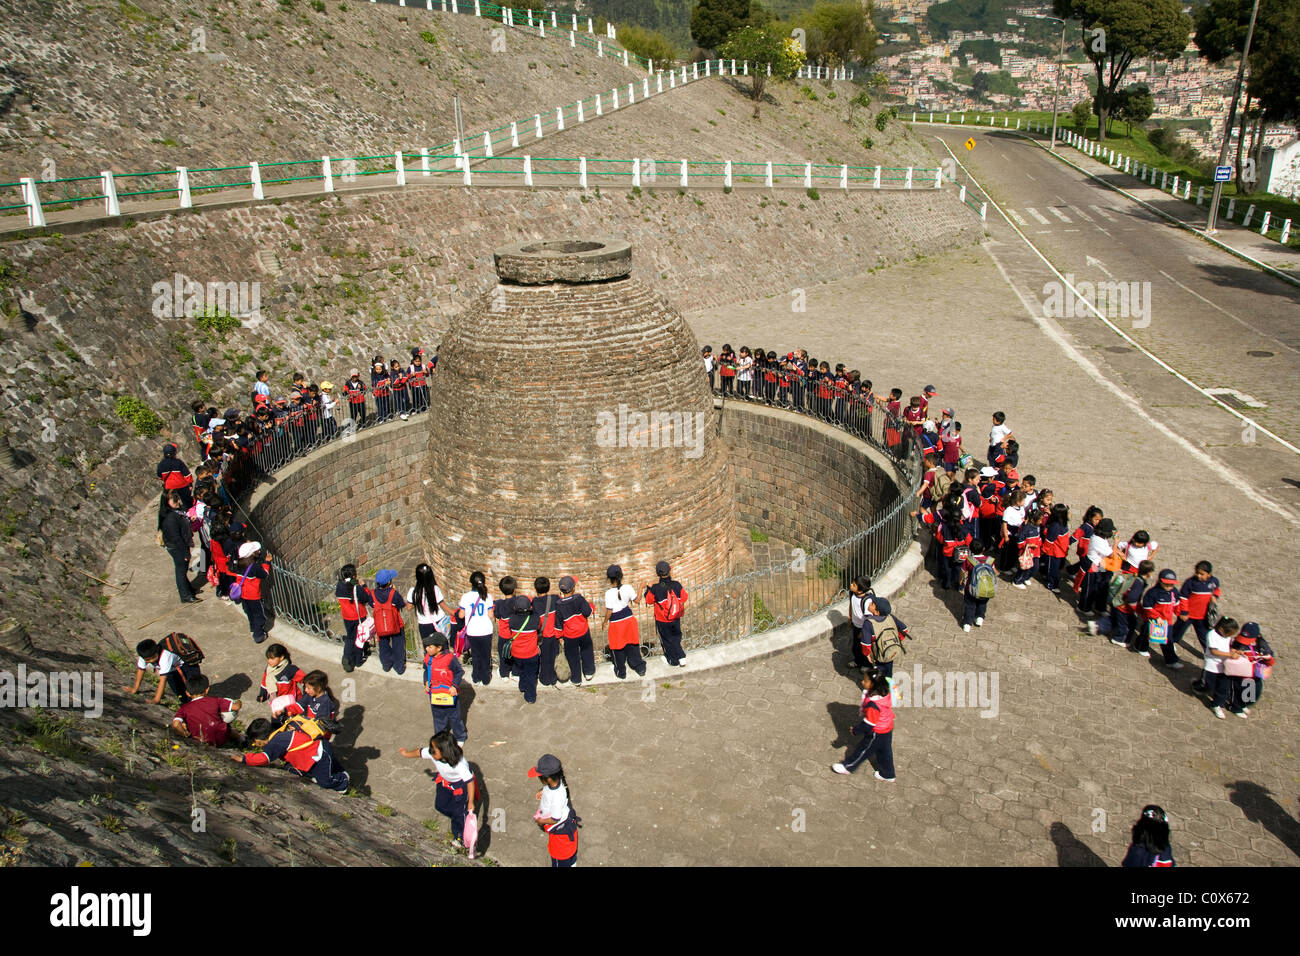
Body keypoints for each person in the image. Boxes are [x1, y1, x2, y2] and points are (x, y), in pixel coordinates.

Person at [398, 732, 477, 847]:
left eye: (434, 749)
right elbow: (419, 752)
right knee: (440, 806)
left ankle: (460, 837)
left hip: (460, 788)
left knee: (459, 815)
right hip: (444, 784)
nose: (430, 751)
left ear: (445, 751)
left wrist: (470, 802)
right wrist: (406, 754)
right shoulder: (432, 753)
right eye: (431, 748)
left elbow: (470, 782)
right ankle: (457, 815)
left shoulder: (460, 764)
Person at [232, 716, 349, 792]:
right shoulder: (279, 733)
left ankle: (343, 780)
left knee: (325, 782)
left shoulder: (275, 742)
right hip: (314, 752)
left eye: (255, 743)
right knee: (291, 768)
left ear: (259, 739)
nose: (255, 745)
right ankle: (337, 771)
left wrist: (244, 759)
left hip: (319, 754)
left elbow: (264, 758)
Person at [831, 665, 896, 781]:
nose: (862, 682)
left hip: (877, 732)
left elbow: (869, 724)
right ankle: (888, 774)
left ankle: (848, 766)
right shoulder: (884, 693)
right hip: (887, 727)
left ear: (873, 685)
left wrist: (856, 730)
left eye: (865, 681)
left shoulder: (873, 705)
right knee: (885, 751)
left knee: (863, 750)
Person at [530, 754, 580, 867]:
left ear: (548, 778)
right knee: (572, 861)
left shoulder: (557, 797)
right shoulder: (559, 780)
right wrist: (543, 790)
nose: (538, 778)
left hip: (561, 841)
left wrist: (540, 821)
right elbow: (551, 788)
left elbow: (554, 819)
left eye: (539, 776)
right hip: (570, 832)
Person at [125, 637, 201, 705]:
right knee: (181, 694)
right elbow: (141, 670)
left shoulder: (165, 656)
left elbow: (163, 680)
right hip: (172, 670)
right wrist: (135, 688)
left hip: (186, 666)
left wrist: (156, 700)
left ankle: (200, 705)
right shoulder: (144, 656)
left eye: (153, 658)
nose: (151, 661)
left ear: (157, 651)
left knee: (194, 689)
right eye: (147, 660)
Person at [421, 632, 468, 741]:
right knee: (438, 718)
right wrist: (426, 681)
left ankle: (460, 737)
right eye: (426, 646)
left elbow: (459, 672)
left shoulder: (450, 659)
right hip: (435, 694)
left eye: (430, 646)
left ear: (439, 648)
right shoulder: (428, 659)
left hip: (449, 694)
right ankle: (440, 737)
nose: (427, 648)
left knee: (454, 717)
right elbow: (426, 671)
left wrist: (454, 686)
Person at [601, 565, 646, 680]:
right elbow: (637, 600)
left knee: (617, 647)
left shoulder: (609, 593)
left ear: (609, 579)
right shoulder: (628, 588)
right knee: (632, 644)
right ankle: (639, 667)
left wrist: (605, 621)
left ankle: (621, 671)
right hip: (629, 619)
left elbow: (609, 611)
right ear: (621, 576)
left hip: (616, 622)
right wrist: (641, 587)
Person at [171, 675, 241, 746]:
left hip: (199, 740)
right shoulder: (215, 701)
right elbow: (236, 707)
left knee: (184, 724)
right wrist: (238, 701)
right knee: (226, 727)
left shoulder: (184, 708)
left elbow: (176, 724)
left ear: (187, 693)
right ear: (207, 690)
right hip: (220, 739)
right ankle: (242, 739)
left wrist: (185, 734)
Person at [643, 561, 688, 668]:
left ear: (658, 574)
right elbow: (684, 598)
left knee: (666, 640)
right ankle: (682, 658)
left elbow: (649, 600)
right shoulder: (677, 585)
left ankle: (673, 661)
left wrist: (649, 588)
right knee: (676, 637)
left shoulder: (655, 588)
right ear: (669, 571)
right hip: (675, 616)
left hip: (662, 619)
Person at [1136, 568, 1183, 668]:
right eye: (1167, 584)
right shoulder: (1153, 593)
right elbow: (1147, 606)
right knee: (1145, 634)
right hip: (1153, 620)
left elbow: (1177, 603)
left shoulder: (1174, 592)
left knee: (1167, 640)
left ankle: (1171, 661)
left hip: (1167, 622)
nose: (1169, 587)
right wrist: (1156, 617)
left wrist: (1179, 613)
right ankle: (1140, 647)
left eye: (1172, 584)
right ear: (1160, 581)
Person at [1171, 561, 1221, 652]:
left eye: (1202, 574)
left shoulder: (1214, 582)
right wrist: (1184, 612)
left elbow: (1217, 590)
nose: (1198, 576)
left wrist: (1215, 596)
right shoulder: (1190, 583)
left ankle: (1208, 652)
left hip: (1202, 616)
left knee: (1205, 636)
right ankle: (1170, 643)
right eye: (1197, 573)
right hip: (1188, 615)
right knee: (1178, 631)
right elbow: (1183, 598)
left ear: (1209, 574)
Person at [160, 492, 201, 604]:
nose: (178, 502)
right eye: (174, 500)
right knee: (181, 570)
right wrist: (185, 554)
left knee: (182, 569)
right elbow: (177, 538)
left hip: (181, 544)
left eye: (177, 499)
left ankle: (188, 589)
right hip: (177, 547)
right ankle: (185, 595)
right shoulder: (170, 519)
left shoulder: (177, 511)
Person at [554, 575, 596, 685]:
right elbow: (588, 612)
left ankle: (576, 679)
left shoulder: (559, 605)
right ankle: (589, 672)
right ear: (573, 588)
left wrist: (559, 636)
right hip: (583, 631)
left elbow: (558, 623)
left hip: (570, 635)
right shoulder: (579, 599)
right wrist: (592, 606)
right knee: (586, 650)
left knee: (572, 656)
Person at [458, 571, 496, 686]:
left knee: (475, 655)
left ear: (471, 583)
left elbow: (461, 615)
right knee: (485, 655)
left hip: (472, 631)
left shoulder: (465, 597)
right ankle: (486, 678)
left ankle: (476, 677)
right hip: (486, 631)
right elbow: (490, 615)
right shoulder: (488, 597)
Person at [335, 563, 373, 674]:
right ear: (354, 575)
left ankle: (346, 656)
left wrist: (356, 583)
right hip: (358, 616)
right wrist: (364, 586)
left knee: (351, 637)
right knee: (360, 639)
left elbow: (348, 584)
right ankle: (358, 660)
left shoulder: (340, 585)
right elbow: (366, 598)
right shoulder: (356, 588)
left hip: (347, 617)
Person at [860, 596, 909, 680]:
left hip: (878, 655)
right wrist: (895, 641)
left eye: (872, 604)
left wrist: (867, 655)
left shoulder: (868, 623)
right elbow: (904, 629)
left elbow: (866, 644)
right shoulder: (891, 617)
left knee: (878, 674)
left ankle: (880, 689)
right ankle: (889, 688)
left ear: (877, 612)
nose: (869, 603)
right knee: (888, 672)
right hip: (891, 651)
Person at [369, 569, 408, 675]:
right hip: (395, 624)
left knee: (383, 645)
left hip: (381, 625)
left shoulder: (372, 594)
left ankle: (386, 665)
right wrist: (395, 591)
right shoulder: (393, 594)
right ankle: (399, 667)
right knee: (398, 646)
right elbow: (401, 605)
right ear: (389, 582)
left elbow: (372, 604)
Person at [1231, 623, 1273, 717]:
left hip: (1255, 674)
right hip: (1241, 673)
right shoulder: (1236, 643)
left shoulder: (1263, 646)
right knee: (1239, 691)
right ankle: (1236, 707)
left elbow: (1271, 660)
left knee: (1254, 693)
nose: (1244, 642)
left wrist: (1268, 658)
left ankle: (1243, 704)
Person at [234, 542, 272, 645]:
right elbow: (264, 574)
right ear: (252, 554)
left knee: (249, 613)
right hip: (253, 596)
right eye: (257, 551)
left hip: (243, 595)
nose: (259, 552)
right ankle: (258, 635)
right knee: (259, 615)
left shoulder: (238, 564)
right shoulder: (253, 567)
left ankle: (253, 627)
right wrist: (266, 563)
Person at [408, 563, 454, 647]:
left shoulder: (413, 592)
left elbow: (409, 607)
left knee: (428, 648)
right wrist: (455, 613)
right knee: (442, 647)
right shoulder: (435, 589)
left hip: (424, 624)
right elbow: (444, 606)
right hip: (439, 622)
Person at [507, 593, 541, 703]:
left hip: (516, 653)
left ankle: (522, 686)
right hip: (531, 653)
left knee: (521, 670)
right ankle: (530, 696)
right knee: (531, 674)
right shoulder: (534, 619)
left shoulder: (512, 619)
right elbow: (539, 627)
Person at [258, 644, 306, 717]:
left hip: (291, 702)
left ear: (281, 657)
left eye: (272, 658)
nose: (269, 661)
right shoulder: (269, 669)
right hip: (279, 702)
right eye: (268, 658)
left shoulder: (290, 669)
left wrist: (306, 697)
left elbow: (306, 680)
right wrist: (262, 694)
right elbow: (265, 682)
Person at [533, 576, 563, 686]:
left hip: (543, 635)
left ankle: (545, 678)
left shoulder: (535, 603)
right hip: (555, 634)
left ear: (536, 589)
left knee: (544, 658)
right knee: (554, 656)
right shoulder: (555, 598)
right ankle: (554, 677)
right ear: (548, 587)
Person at [961, 541, 997, 631]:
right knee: (982, 603)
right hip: (986, 589)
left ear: (971, 549)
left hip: (971, 588)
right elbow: (995, 572)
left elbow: (962, 572)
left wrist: (960, 581)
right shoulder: (990, 560)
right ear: (984, 549)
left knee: (970, 605)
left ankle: (967, 624)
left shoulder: (969, 560)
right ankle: (979, 618)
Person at [493, 576, 519, 683]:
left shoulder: (499, 603)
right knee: (516, 653)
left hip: (504, 634)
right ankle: (515, 673)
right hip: (515, 635)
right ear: (514, 589)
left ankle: (504, 674)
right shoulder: (518, 602)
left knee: (503, 654)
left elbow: (497, 615)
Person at [848, 576, 873, 667]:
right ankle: (857, 661)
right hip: (856, 625)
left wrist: (864, 632)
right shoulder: (852, 593)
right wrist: (850, 617)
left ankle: (866, 665)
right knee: (856, 646)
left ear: (860, 590)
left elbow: (869, 619)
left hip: (864, 629)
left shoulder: (867, 601)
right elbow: (851, 605)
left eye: (854, 585)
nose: (851, 585)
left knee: (865, 647)